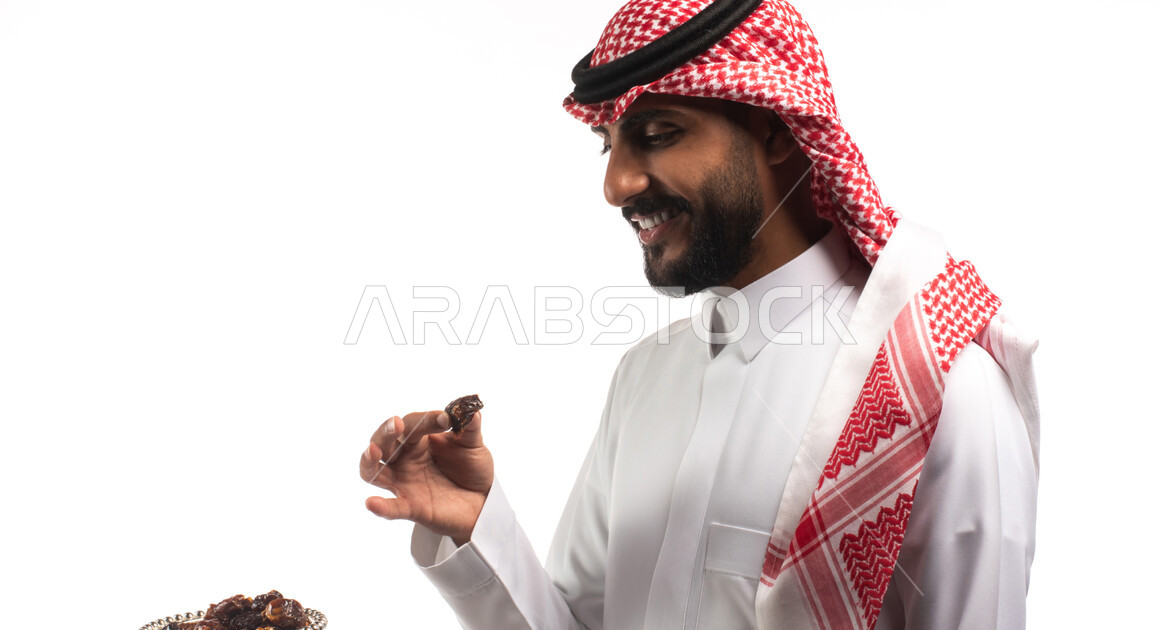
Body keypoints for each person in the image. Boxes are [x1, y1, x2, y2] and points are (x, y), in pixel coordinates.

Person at [359, 1, 1040, 628]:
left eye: (658, 134)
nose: (616, 185)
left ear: (774, 129)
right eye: (609, 145)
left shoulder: (942, 391)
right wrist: (476, 531)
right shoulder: (645, 378)